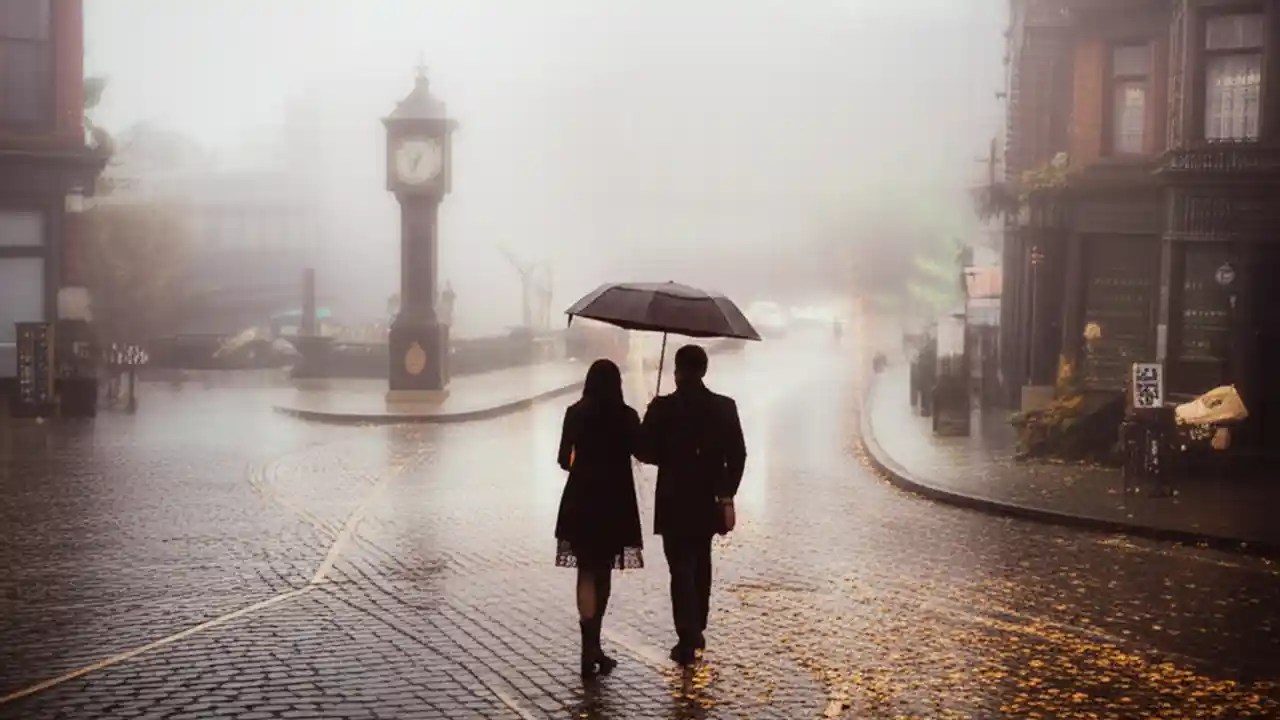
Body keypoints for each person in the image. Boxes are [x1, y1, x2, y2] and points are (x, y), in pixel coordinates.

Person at [638, 344, 747, 666]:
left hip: (673, 499)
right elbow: (738, 455)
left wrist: (651, 417)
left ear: (676, 371)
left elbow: (645, 452)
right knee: (701, 562)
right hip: (708, 499)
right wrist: (727, 491)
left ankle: (687, 634)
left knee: (680, 567)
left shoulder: (663, 407)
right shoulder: (724, 407)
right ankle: (697, 623)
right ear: (704, 370)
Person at [555, 359, 644, 677]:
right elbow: (644, 451)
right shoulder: (626, 416)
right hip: (615, 502)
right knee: (603, 572)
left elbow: (563, 459)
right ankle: (594, 644)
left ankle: (587, 647)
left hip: (581, 499)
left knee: (585, 573)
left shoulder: (575, 413)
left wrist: (581, 460)